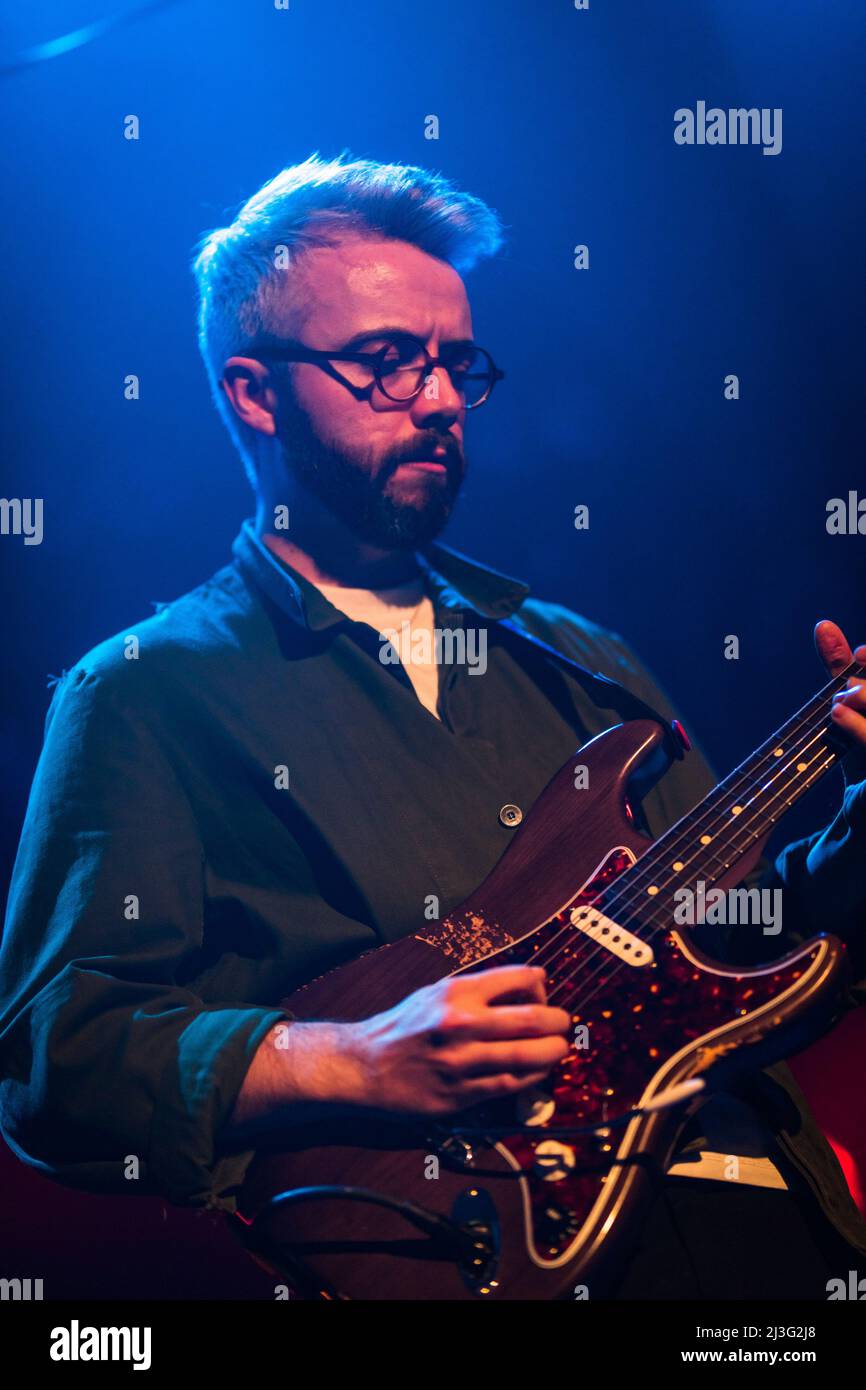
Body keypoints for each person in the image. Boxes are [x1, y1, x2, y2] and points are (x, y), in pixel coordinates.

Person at [2, 153, 865, 1299]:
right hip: (470, 1243)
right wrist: (349, 1061)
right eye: (385, 362)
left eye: (457, 364)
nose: (442, 398)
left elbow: (744, 938)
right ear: (254, 392)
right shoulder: (146, 689)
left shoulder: (585, 658)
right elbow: (61, 1057)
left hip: (764, 1233)